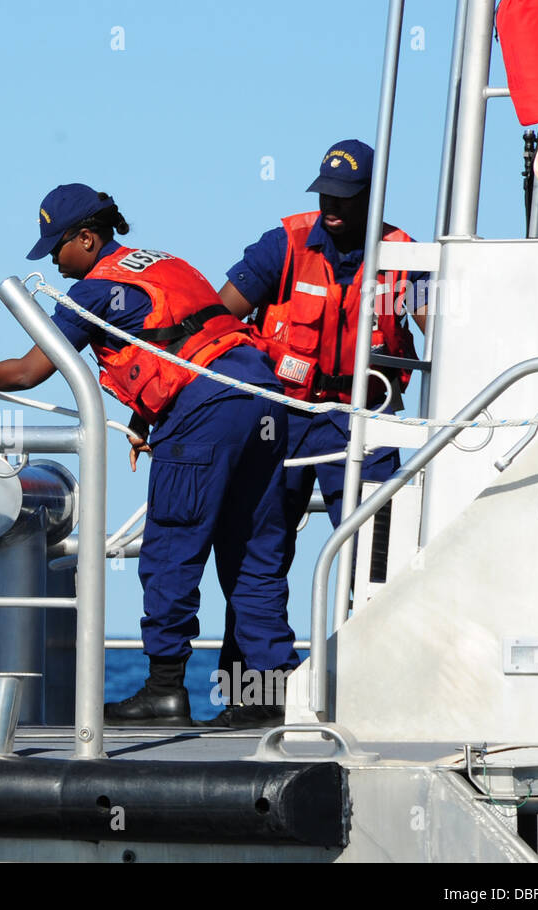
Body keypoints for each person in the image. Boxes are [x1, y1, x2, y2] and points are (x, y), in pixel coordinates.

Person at [0, 184, 299, 728]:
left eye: (57, 246)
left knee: (170, 549)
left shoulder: (95, 292)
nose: (53, 259)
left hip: (206, 413)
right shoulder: (166, 263)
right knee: (253, 556)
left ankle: (165, 691)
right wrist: (150, 416)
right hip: (260, 401)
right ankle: (268, 697)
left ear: (87, 238)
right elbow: (186, 338)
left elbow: (28, 371)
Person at [214, 139, 426, 721]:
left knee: (377, 558)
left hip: (363, 421)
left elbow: (449, 333)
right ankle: (254, 693)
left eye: (346, 196)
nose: (332, 205)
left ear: (371, 196)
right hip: (280, 417)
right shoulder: (282, 243)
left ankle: (376, 689)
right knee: (258, 551)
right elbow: (214, 321)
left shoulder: (406, 255)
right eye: (326, 193)